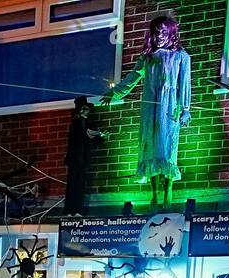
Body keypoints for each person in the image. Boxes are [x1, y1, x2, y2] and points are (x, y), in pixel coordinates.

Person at [104, 14, 193, 205]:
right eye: (156, 32)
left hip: (169, 107)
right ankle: (153, 193)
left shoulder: (180, 56)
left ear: (170, 33)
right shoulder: (148, 57)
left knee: (167, 146)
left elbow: (185, 83)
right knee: (150, 146)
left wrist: (185, 108)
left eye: (163, 31)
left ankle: (168, 191)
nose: (159, 35)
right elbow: (134, 76)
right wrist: (116, 93)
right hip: (150, 105)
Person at [65, 97, 106, 215]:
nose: (87, 111)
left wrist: (99, 136)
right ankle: (70, 210)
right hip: (75, 158)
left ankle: (78, 209)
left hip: (83, 158)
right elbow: (79, 137)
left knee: (80, 184)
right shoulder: (76, 123)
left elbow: (92, 137)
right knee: (73, 184)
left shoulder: (88, 123)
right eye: (85, 108)